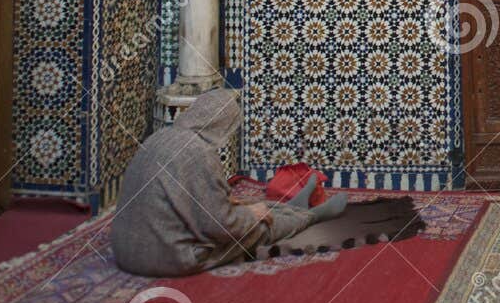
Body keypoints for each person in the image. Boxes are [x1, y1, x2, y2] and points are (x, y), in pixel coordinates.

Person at [111, 89, 351, 277]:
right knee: (257, 228)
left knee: (247, 207)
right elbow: (224, 227)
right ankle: (312, 216)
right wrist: (253, 215)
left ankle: (295, 207)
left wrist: (243, 208)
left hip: (126, 251)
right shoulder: (199, 152)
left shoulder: (160, 136)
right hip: (168, 256)